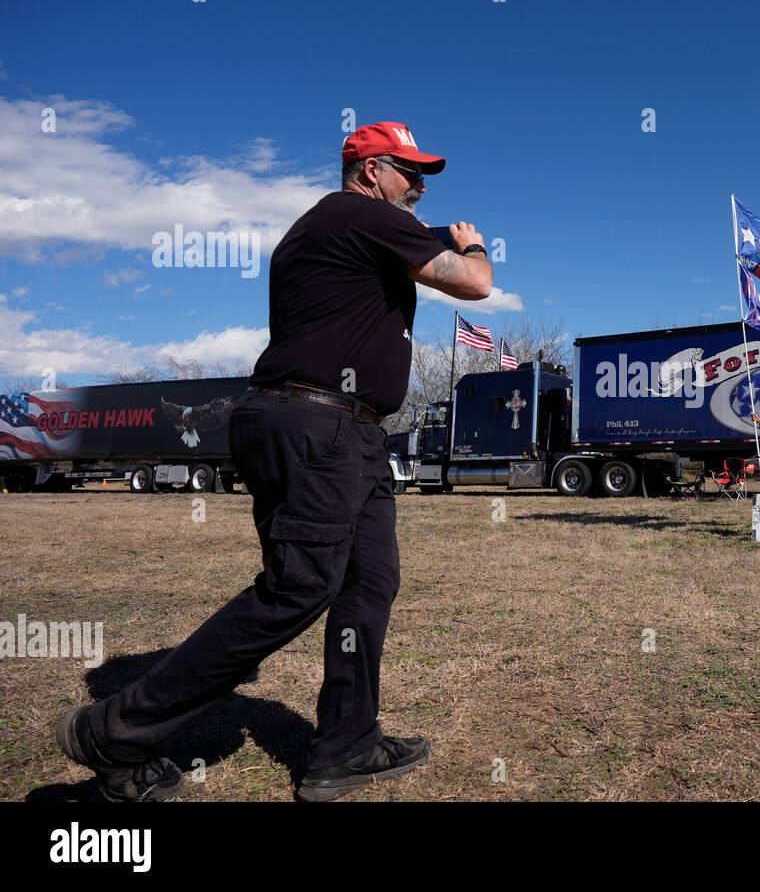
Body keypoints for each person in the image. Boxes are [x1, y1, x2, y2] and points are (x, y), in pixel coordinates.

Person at [56, 121, 493, 802]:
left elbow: (408, 251)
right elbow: (472, 283)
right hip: (321, 425)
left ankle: (346, 745)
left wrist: (428, 233)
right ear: (372, 171)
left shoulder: (340, 227)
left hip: (347, 428)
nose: (421, 188)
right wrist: (472, 244)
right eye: (412, 174)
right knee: (297, 587)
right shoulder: (355, 213)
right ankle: (117, 729)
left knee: (367, 583)